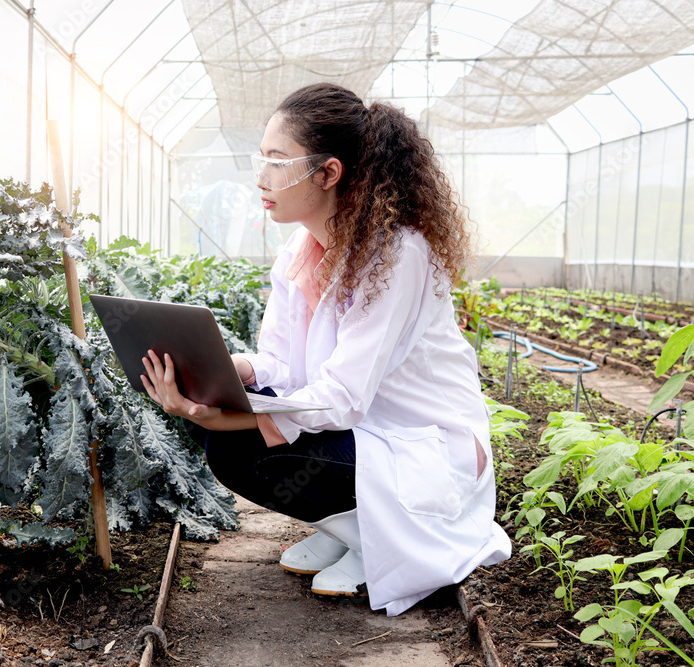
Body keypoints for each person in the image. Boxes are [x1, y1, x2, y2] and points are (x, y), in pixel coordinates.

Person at [140, 82, 511, 617]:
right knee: (231, 432)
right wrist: (224, 370)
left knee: (235, 446)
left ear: (328, 173)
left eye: (276, 161)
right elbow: (281, 365)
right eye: (260, 159)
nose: (261, 177)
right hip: (364, 432)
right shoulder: (303, 247)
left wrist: (226, 419)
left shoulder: (398, 254)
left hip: (424, 444)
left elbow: (341, 398)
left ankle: (384, 544)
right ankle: (350, 529)